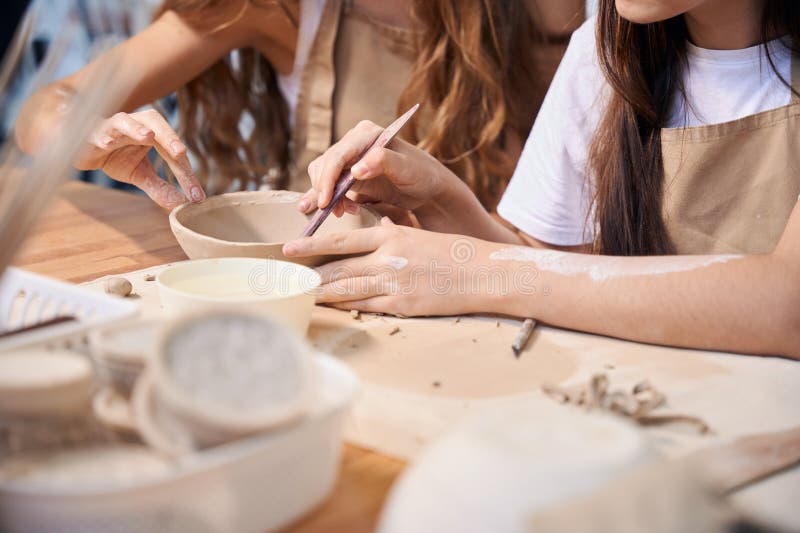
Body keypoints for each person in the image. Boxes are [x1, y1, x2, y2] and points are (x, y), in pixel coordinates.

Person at [284, 0, 800, 359]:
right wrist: (440, 195)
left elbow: (787, 307)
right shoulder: (605, 57)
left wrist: (492, 273)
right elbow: (552, 267)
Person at [14, 0, 582, 210]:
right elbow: (45, 106)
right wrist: (84, 131)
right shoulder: (277, 7)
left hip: (486, 290)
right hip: (320, 302)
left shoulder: (547, 12)